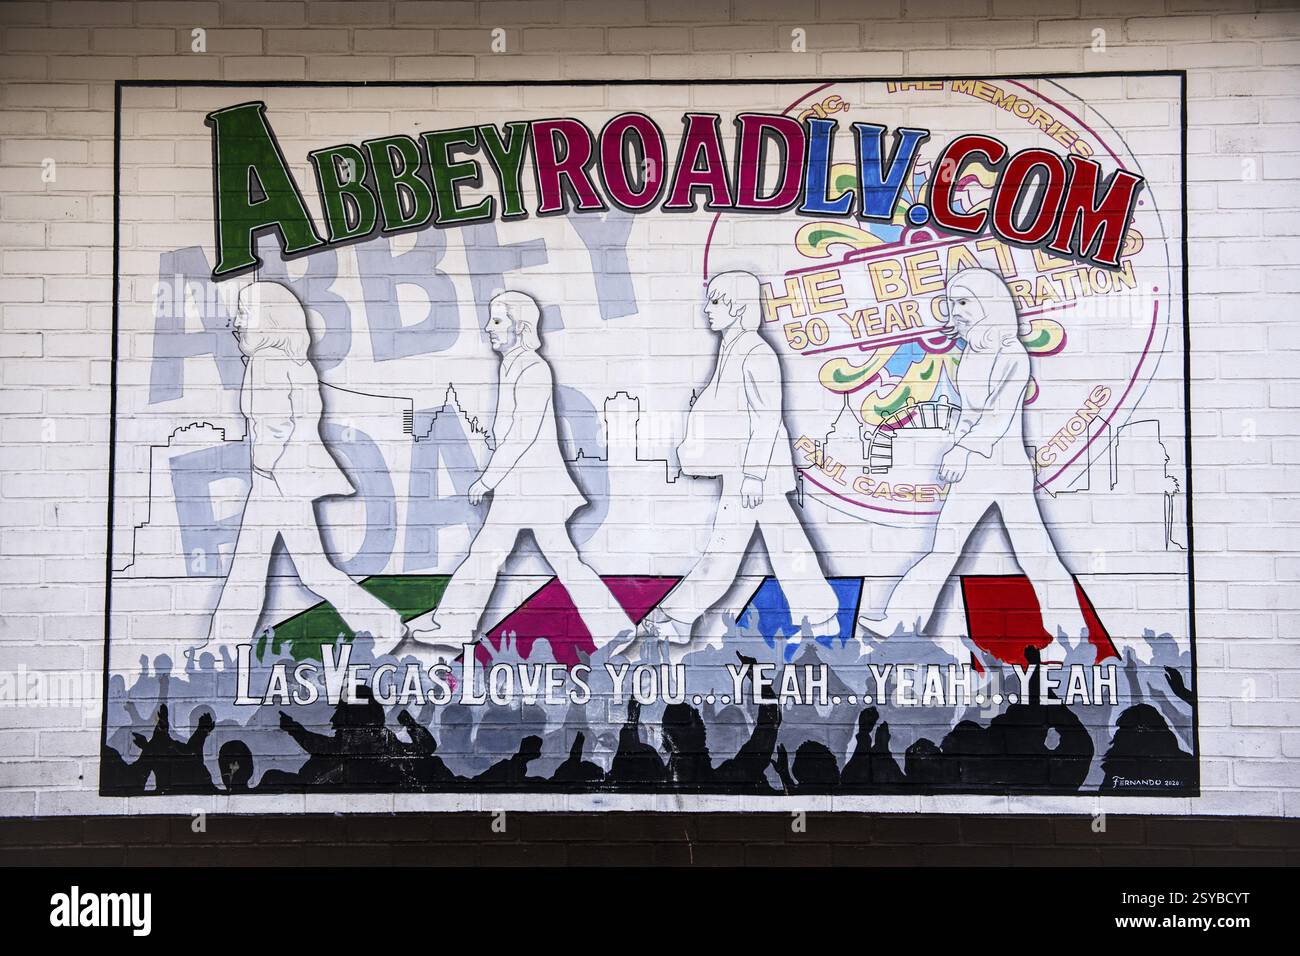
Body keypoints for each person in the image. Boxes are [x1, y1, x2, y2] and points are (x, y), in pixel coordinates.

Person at [858, 268, 1086, 664]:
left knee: (1036, 554)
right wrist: (959, 446)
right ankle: (898, 621)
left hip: (1006, 468)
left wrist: (963, 449)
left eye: (964, 302)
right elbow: (969, 412)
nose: (955, 310)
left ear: (988, 304)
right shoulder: (971, 354)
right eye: (953, 302)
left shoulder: (1012, 354)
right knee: (942, 548)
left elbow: (999, 417)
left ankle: (1072, 636)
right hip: (977, 469)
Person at [404, 291, 634, 661]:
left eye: (497, 320)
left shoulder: (533, 369)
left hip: (533, 487)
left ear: (521, 327)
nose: (489, 328)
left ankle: (453, 624)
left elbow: (522, 433)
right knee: (502, 554)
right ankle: (453, 623)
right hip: (523, 485)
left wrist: (487, 479)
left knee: (497, 553)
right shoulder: (512, 365)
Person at [630, 271, 838, 661]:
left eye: (715, 302)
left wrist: (755, 474)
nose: (706, 310)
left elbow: (766, 418)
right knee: (783, 546)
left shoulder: (756, 354)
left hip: (751, 475)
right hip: (746, 474)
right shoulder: (736, 349)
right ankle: (821, 616)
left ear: (737, 307)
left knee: (725, 554)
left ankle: (676, 619)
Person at [196, 281, 405, 662]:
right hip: (285, 478)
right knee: (297, 568)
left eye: (245, 313)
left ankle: (223, 646)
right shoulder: (293, 361)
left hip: (276, 480)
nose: (237, 321)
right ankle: (383, 624)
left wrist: (265, 467)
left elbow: (277, 424)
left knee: (256, 567)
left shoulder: (267, 362)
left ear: (269, 320)